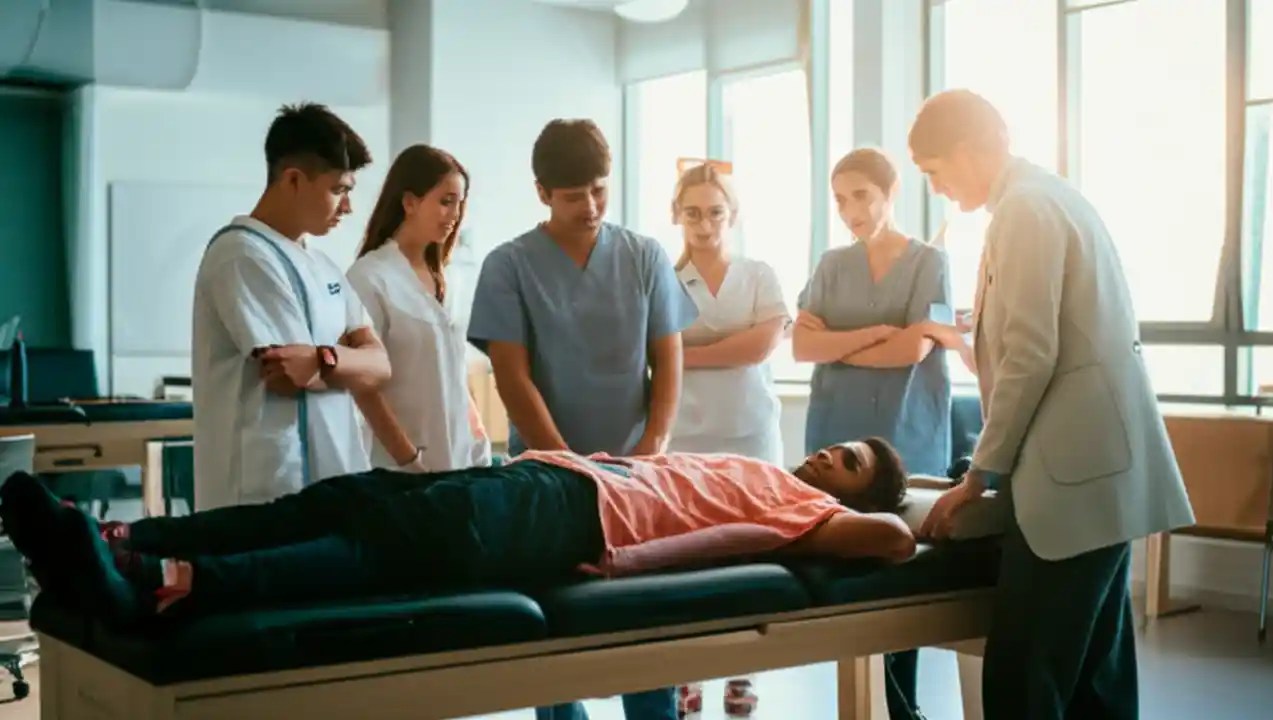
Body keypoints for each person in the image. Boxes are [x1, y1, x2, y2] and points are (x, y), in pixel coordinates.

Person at [909, 89, 1195, 720]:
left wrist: (980, 475)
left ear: (967, 149)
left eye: (934, 172)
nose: (936, 188)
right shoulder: (1047, 199)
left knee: (1024, 678)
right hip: (1098, 478)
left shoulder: (1025, 210)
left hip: (1075, 485)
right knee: (1096, 677)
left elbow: (1029, 356)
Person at [0, 438, 914, 627]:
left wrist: (940, 498)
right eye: (837, 448)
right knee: (330, 501)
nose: (830, 456)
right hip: (538, 475)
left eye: (851, 462)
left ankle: (167, 586)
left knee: (373, 554)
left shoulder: (814, 518)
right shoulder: (761, 465)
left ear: (858, 493)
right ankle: (125, 542)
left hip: (565, 519)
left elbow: (895, 545)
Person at [467, 118, 699, 720]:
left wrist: (650, 449)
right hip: (547, 475)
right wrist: (564, 462)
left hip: (635, 473)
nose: (591, 206)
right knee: (560, 638)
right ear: (542, 192)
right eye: (574, 196)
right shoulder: (509, 266)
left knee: (646, 630)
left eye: (600, 189)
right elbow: (512, 378)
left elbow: (667, 361)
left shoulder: (644, 256)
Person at [792, 147, 952, 720]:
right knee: (843, 565)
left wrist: (842, 339)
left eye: (861, 195)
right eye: (839, 199)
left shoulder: (931, 262)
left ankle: (902, 705)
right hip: (836, 431)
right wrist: (878, 333)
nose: (850, 210)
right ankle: (855, 706)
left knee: (900, 568)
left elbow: (915, 349)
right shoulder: (833, 265)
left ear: (890, 193)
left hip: (906, 431)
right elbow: (802, 346)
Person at [191, 103, 391, 510]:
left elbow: (380, 368)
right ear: (294, 179)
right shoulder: (241, 253)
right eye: (339, 190)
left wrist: (324, 361)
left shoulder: (323, 266)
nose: (348, 208)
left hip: (331, 479)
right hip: (265, 489)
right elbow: (285, 375)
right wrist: (348, 364)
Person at [663, 163, 787, 716]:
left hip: (751, 433)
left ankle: (744, 674)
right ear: (677, 216)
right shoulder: (665, 280)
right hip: (687, 436)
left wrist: (689, 353)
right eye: (693, 212)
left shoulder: (759, 274)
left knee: (750, 554)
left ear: (731, 214)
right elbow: (655, 357)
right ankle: (690, 673)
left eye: (715, 212)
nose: (705, 223)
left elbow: (760, 347)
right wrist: (719, 347)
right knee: (692, 562)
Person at [346, 144, 491, 473]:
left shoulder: (447, 278)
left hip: (459, 463)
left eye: (459, 203)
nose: (455, 215)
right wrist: (407, 457)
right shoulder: (369, 277)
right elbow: (363, 386)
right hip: (398, 470)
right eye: (445, 201)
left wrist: (478, 442)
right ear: (410, 202)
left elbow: (454, 372)